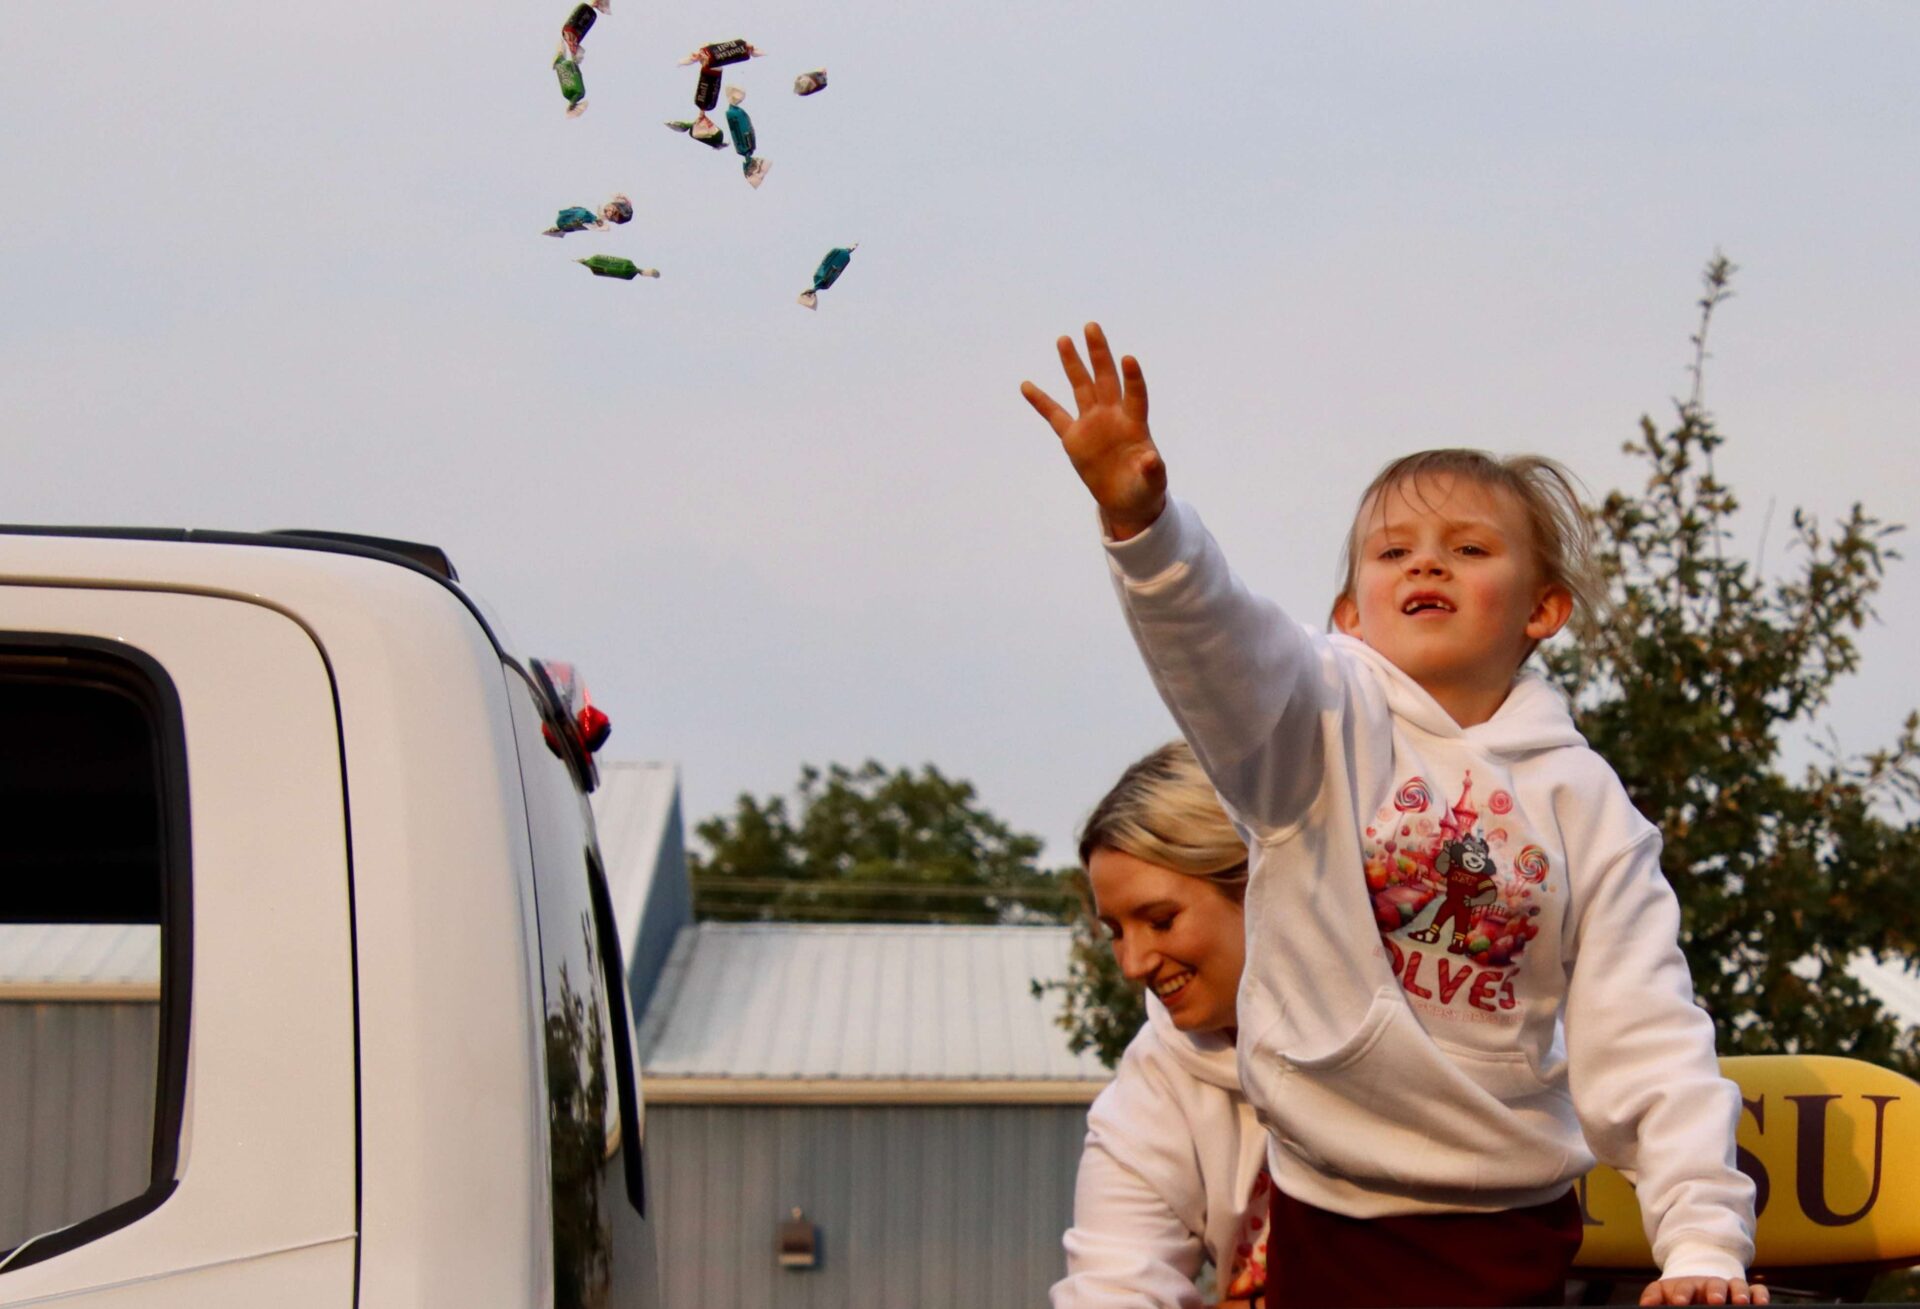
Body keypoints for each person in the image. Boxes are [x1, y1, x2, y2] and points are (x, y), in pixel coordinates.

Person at [1021, 324, 1763, 1309]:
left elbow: (1647, 1028)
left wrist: (1703, 1243)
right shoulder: (1312, 732)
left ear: (1543, 609)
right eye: (1393, 551)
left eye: (1469, 549)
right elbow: (1222, 650)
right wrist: (1146, 529)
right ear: (1347, 615)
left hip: (1508, 1214)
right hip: (1336, 1205)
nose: (1427, 565)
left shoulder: (1585, 804)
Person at [1054, 741, 1273, 1309]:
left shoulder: (1422, 1022)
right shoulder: (1155, 1084)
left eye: (1159, 920)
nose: (1133, 964)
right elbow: (1111, 1285)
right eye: (1116, 932)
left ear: (1258, 884)